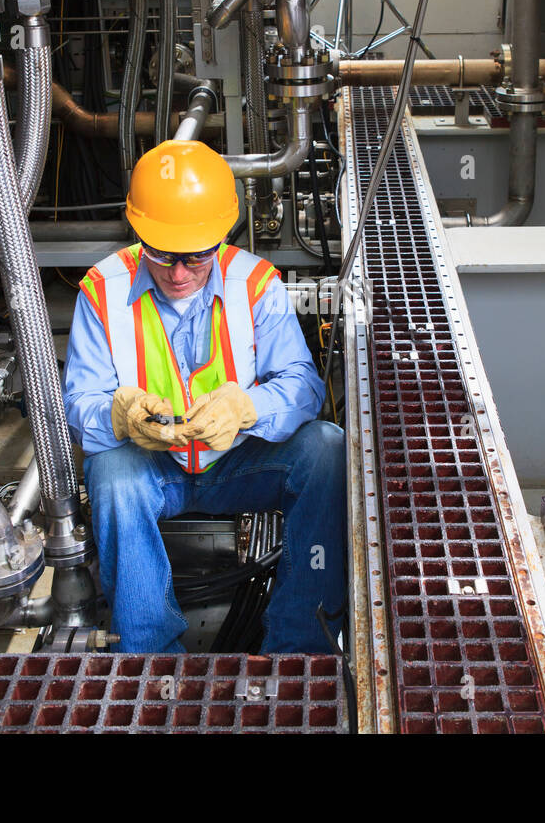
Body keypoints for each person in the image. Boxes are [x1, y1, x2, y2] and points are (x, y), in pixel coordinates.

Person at [62, 138, 346, 653]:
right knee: (110, 474)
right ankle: (148, 656)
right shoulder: (101, 291)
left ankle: (300, 646)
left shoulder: (257, 284)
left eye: (195, 257)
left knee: (327, 449)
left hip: (240, 461)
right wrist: (118, 414)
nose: (177, 273)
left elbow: (303, 384)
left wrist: (248, 407)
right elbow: (80, 402)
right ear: (138, 233)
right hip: (154, 468)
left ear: (220, 237)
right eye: (161, 254)